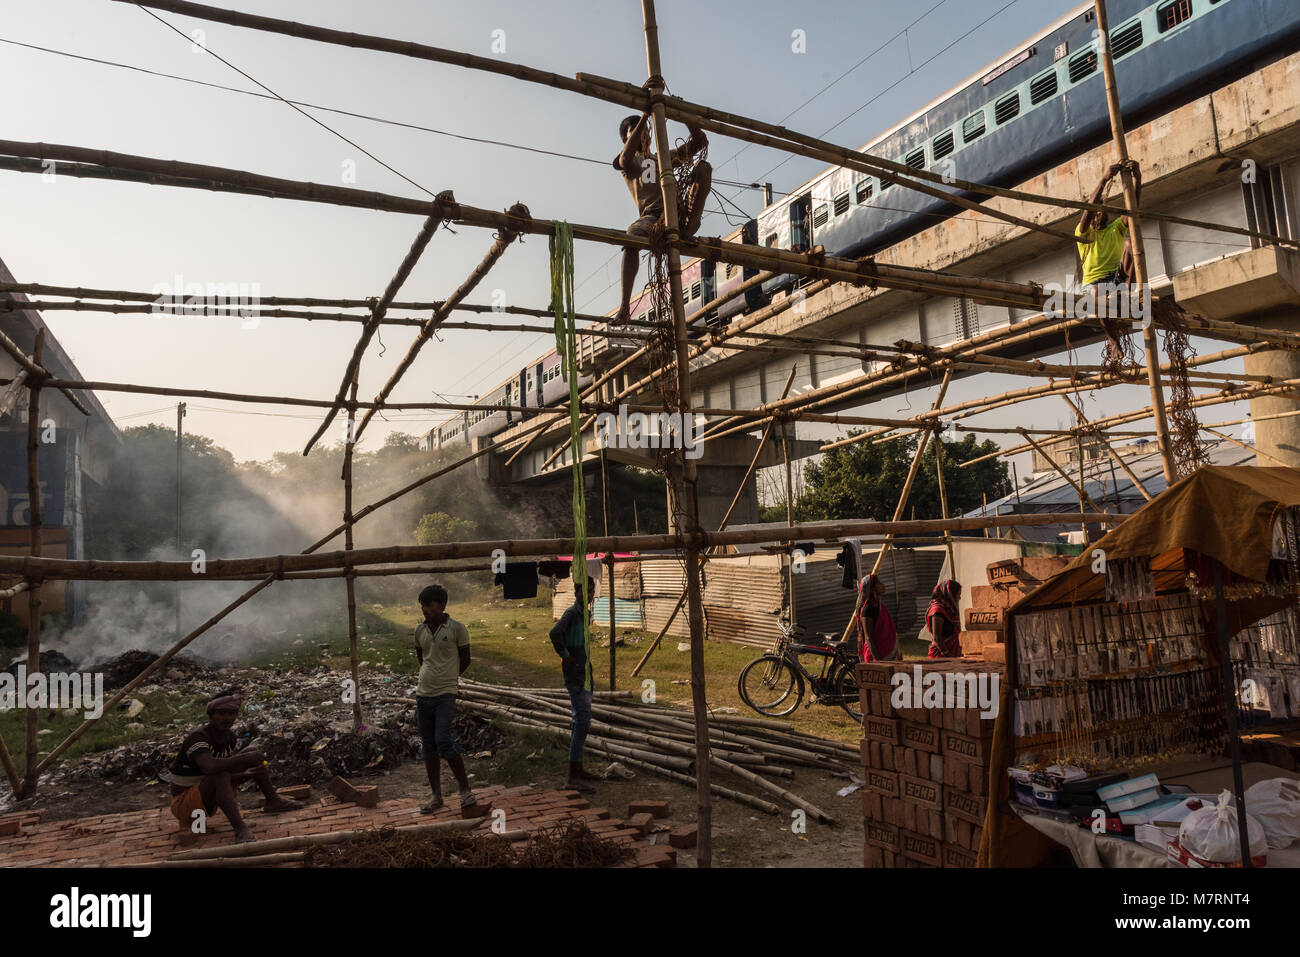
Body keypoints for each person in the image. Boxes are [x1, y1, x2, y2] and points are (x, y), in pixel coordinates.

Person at [613, 105, 712, 325]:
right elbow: (625, 157)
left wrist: (682, 114)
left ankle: (687, 229)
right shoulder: (629, 163)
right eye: (637, 133)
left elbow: (699, 143)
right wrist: (646, 115)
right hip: (652, 217)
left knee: (704, 168)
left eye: (646, 130)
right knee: (632, 237)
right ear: (627, 139)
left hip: (678, 214)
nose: (644, 134)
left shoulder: (663, 158)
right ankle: (624, 307)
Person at [167, 689, 301, 844]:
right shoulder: (198, 738)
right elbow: (210, 768)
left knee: (251, 753)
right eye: (222, 713)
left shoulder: (228, 737)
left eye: (232, 714)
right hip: (186, 805)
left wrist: (249, 773)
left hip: (206, 795)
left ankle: (273, 801)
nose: (227, 718)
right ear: (211, 715)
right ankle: (240, 830)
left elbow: (225, 772)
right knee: (223, 772)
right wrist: (243, 760)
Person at [412, 583, 477, 813]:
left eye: (428, 605)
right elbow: (422, 658)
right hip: (423, 693)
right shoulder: (419, 631)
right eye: (422, 606)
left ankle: (465, 791)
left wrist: (449, 678)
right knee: (429, 745)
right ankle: (436, 796)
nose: (425, 610)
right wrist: (431, 677)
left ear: (441, 605)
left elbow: (465, 659)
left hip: (445, 693)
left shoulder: (457, 629)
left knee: (443, 740)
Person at [549, 575, 600, 793]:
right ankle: (572, 777)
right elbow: (555, 633)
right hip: (575, 672)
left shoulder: (584, 613)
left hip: (584, 670)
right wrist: (565, 655)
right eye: (583, 591)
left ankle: (578, 770)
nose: (587, 595)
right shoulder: (571, 613)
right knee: (581, 722)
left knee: (582, 721)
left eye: (591, 591)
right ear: (576, 593)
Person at [1075, 162, 1141, 290]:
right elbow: (1089, 209)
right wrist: (1104, 180)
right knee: (1095, 291)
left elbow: (1132, 208)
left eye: (1102, 209)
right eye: (1096, 210)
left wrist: (1137, 178)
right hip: (1093, 286)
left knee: (1131, 244)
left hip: (1115, 281)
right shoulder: (1083, 233)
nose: (1100, 212)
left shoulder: (1116, 229)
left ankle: (1124, 294)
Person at [855, 573, 899, 662]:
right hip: (876, 656)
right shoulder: (868, 610)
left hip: (886, 652)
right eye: (879, 583)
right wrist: (878, 661)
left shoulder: (879, 605)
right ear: (872, 589)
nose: (882, 585)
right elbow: (868, 638)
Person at [926, 580, 963, 659]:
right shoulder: (937, 610)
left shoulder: (950, 610)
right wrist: (947, 655)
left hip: (952, 655)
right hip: (940, 656)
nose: (960, 598)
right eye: (958, 595)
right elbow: (937, 637)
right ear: (950, 595)